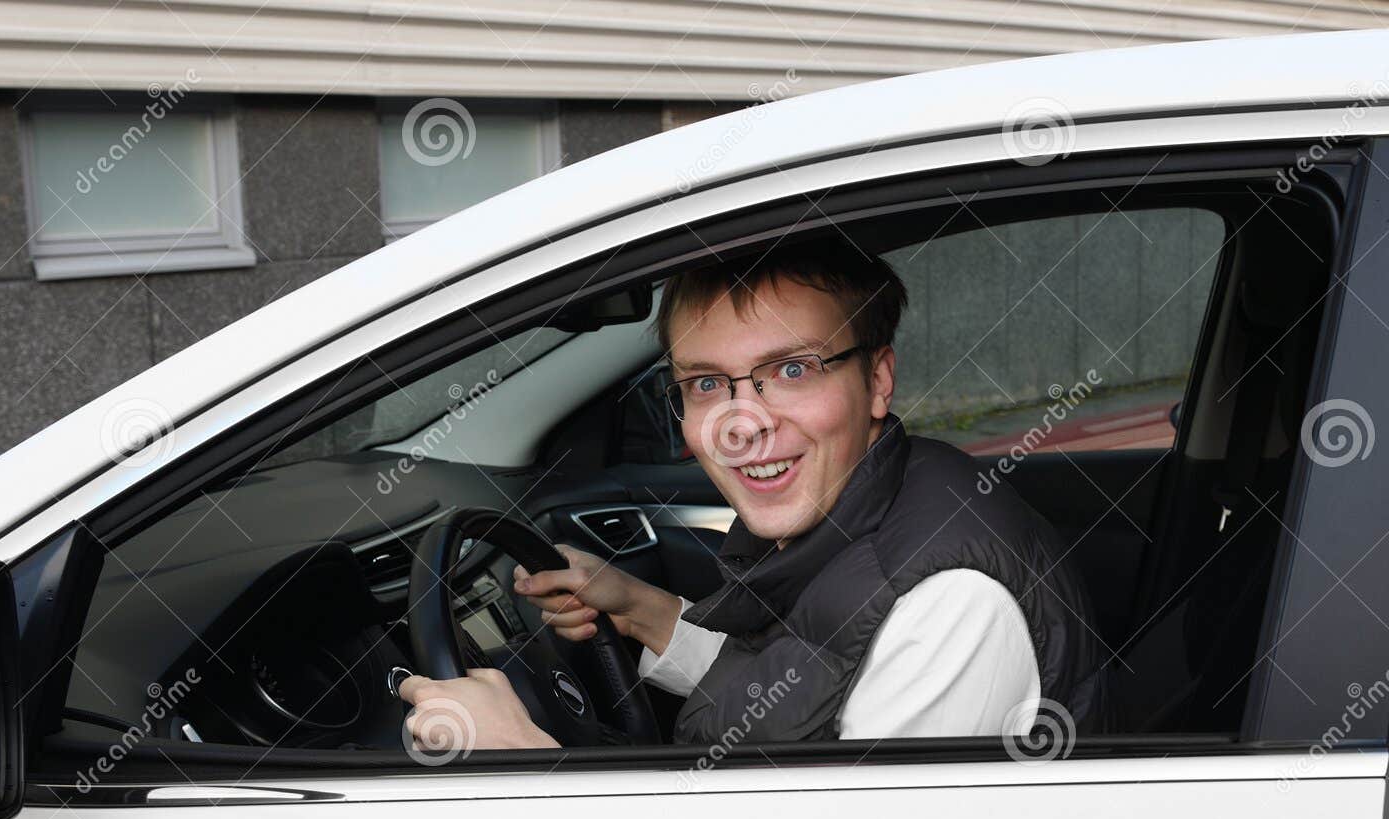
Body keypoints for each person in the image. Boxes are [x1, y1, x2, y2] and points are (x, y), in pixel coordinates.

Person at [400, 236, 1106, 749]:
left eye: (793, 370)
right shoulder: (869, 506)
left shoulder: (949, 610)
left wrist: (523, 766)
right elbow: (797, 682)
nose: (742, 424)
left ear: (878, 380)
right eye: (707, 384)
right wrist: (642, 611)